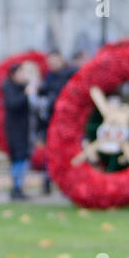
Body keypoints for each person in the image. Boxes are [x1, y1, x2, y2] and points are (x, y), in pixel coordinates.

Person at [0, 60, 38, 200]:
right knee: (18, 158)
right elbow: (12, 104)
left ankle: (19, 187)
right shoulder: (9, 87)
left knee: (23, 158)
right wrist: (26, 95)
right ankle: (16, 187)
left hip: (25, 129)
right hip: (15, 130)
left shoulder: (23, 86)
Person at [36, 50, 74, 192]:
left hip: (65, 121)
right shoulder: (48, 77)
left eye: (54, 61)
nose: (52, 64)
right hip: (49, 121)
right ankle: (47, 181)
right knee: (49, 153)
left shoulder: (68, 74)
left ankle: (66, 183)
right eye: (50, 62)